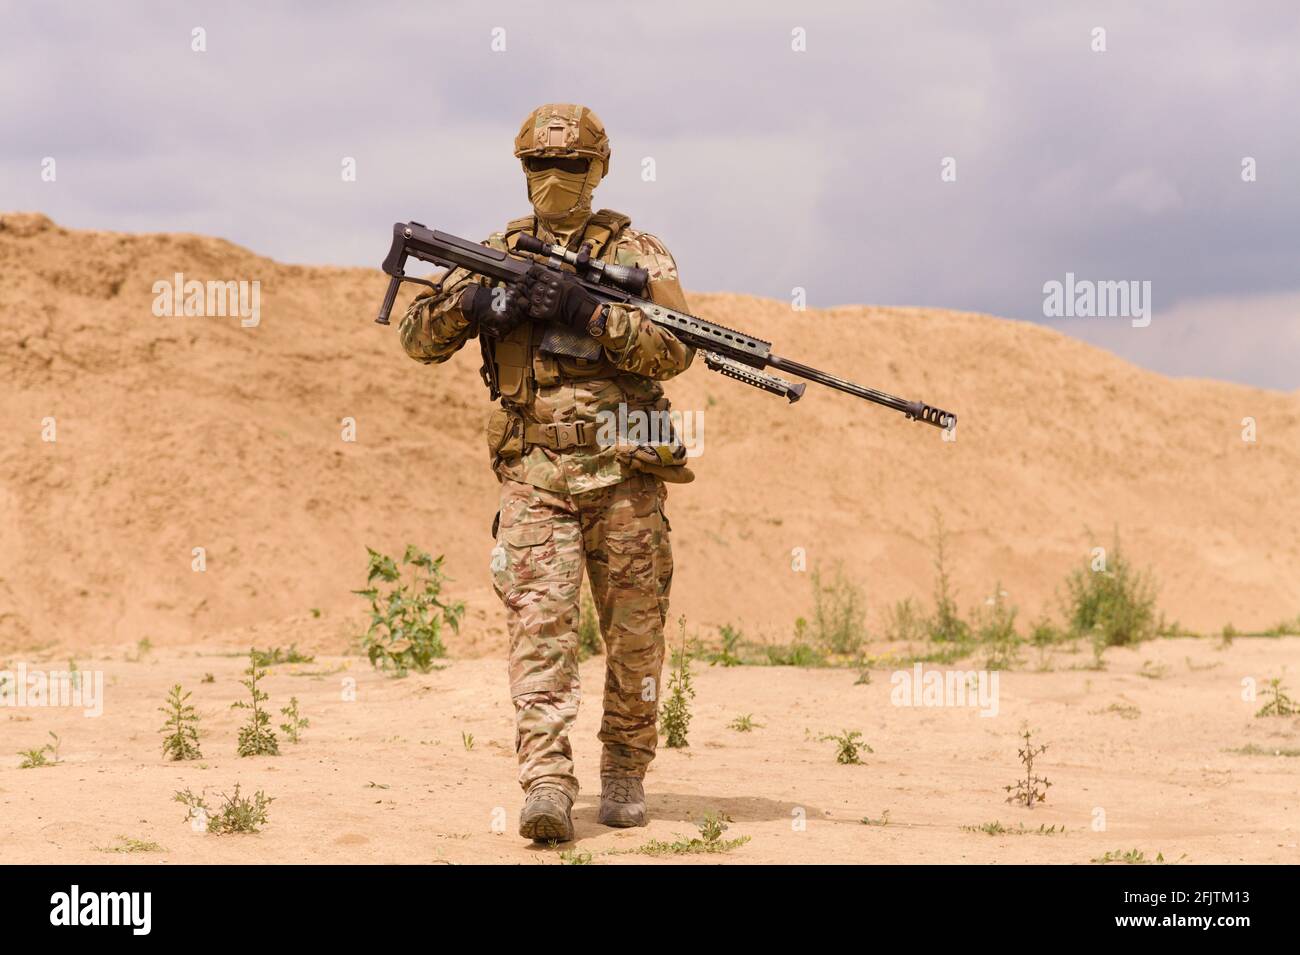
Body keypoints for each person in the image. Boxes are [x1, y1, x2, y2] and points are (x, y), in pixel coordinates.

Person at [397, 103, 694, 842]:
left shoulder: (641, 252)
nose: (554, 179)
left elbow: (677, 349)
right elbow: (415, 337)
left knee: (634, 637)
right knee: (540, 635)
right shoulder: (495, 248)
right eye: (540, 166)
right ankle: (548, 783)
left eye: (570, 166)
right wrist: (472, 302)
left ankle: (625, 767)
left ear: (600, 169)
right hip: (534, 472)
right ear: (522, 168)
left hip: (626, 469)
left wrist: (588, 312)